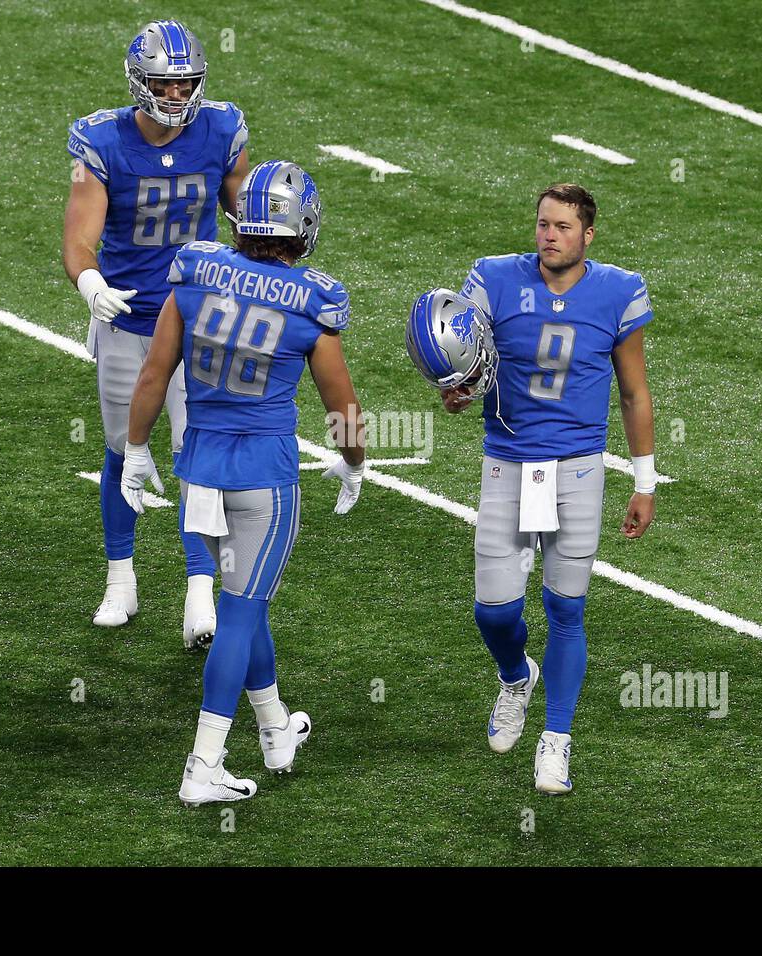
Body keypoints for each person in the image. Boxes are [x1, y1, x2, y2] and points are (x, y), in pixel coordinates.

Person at [122, 160, 366, 805]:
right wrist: (353, 459)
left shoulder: (195, 271)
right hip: (262, 474)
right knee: (240, 612)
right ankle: (203, 765)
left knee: (240, 599)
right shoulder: (313, 297)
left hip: (199, 469)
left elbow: (153, 376)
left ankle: (275, 729)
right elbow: (341, 405)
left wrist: (135, 450)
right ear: (302, 225)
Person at [405, 183, 657, 794]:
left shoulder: (618, 291)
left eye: (563, 226)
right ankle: (517, 676)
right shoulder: (493, 280)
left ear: (588, 235)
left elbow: (633, 392)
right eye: (543, 223)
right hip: (510, 465)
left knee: (566, 608)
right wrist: (457, 389)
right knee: (494, 610)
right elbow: (463, 369)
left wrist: (644, 479)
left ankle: (557, 740)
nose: (549, 235)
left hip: (576, 467)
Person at [63, 19, 250, 646]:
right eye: (165, 84)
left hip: (199, 318)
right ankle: (121, 578)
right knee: (123, 451)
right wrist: (91, 284)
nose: (176, 95)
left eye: (186, 82)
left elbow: (243, 213)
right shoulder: (102, 140)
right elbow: (80, 237)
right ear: (140, 81)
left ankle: (201, 592)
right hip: (129, 319)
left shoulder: (222, 128)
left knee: (199, 454)